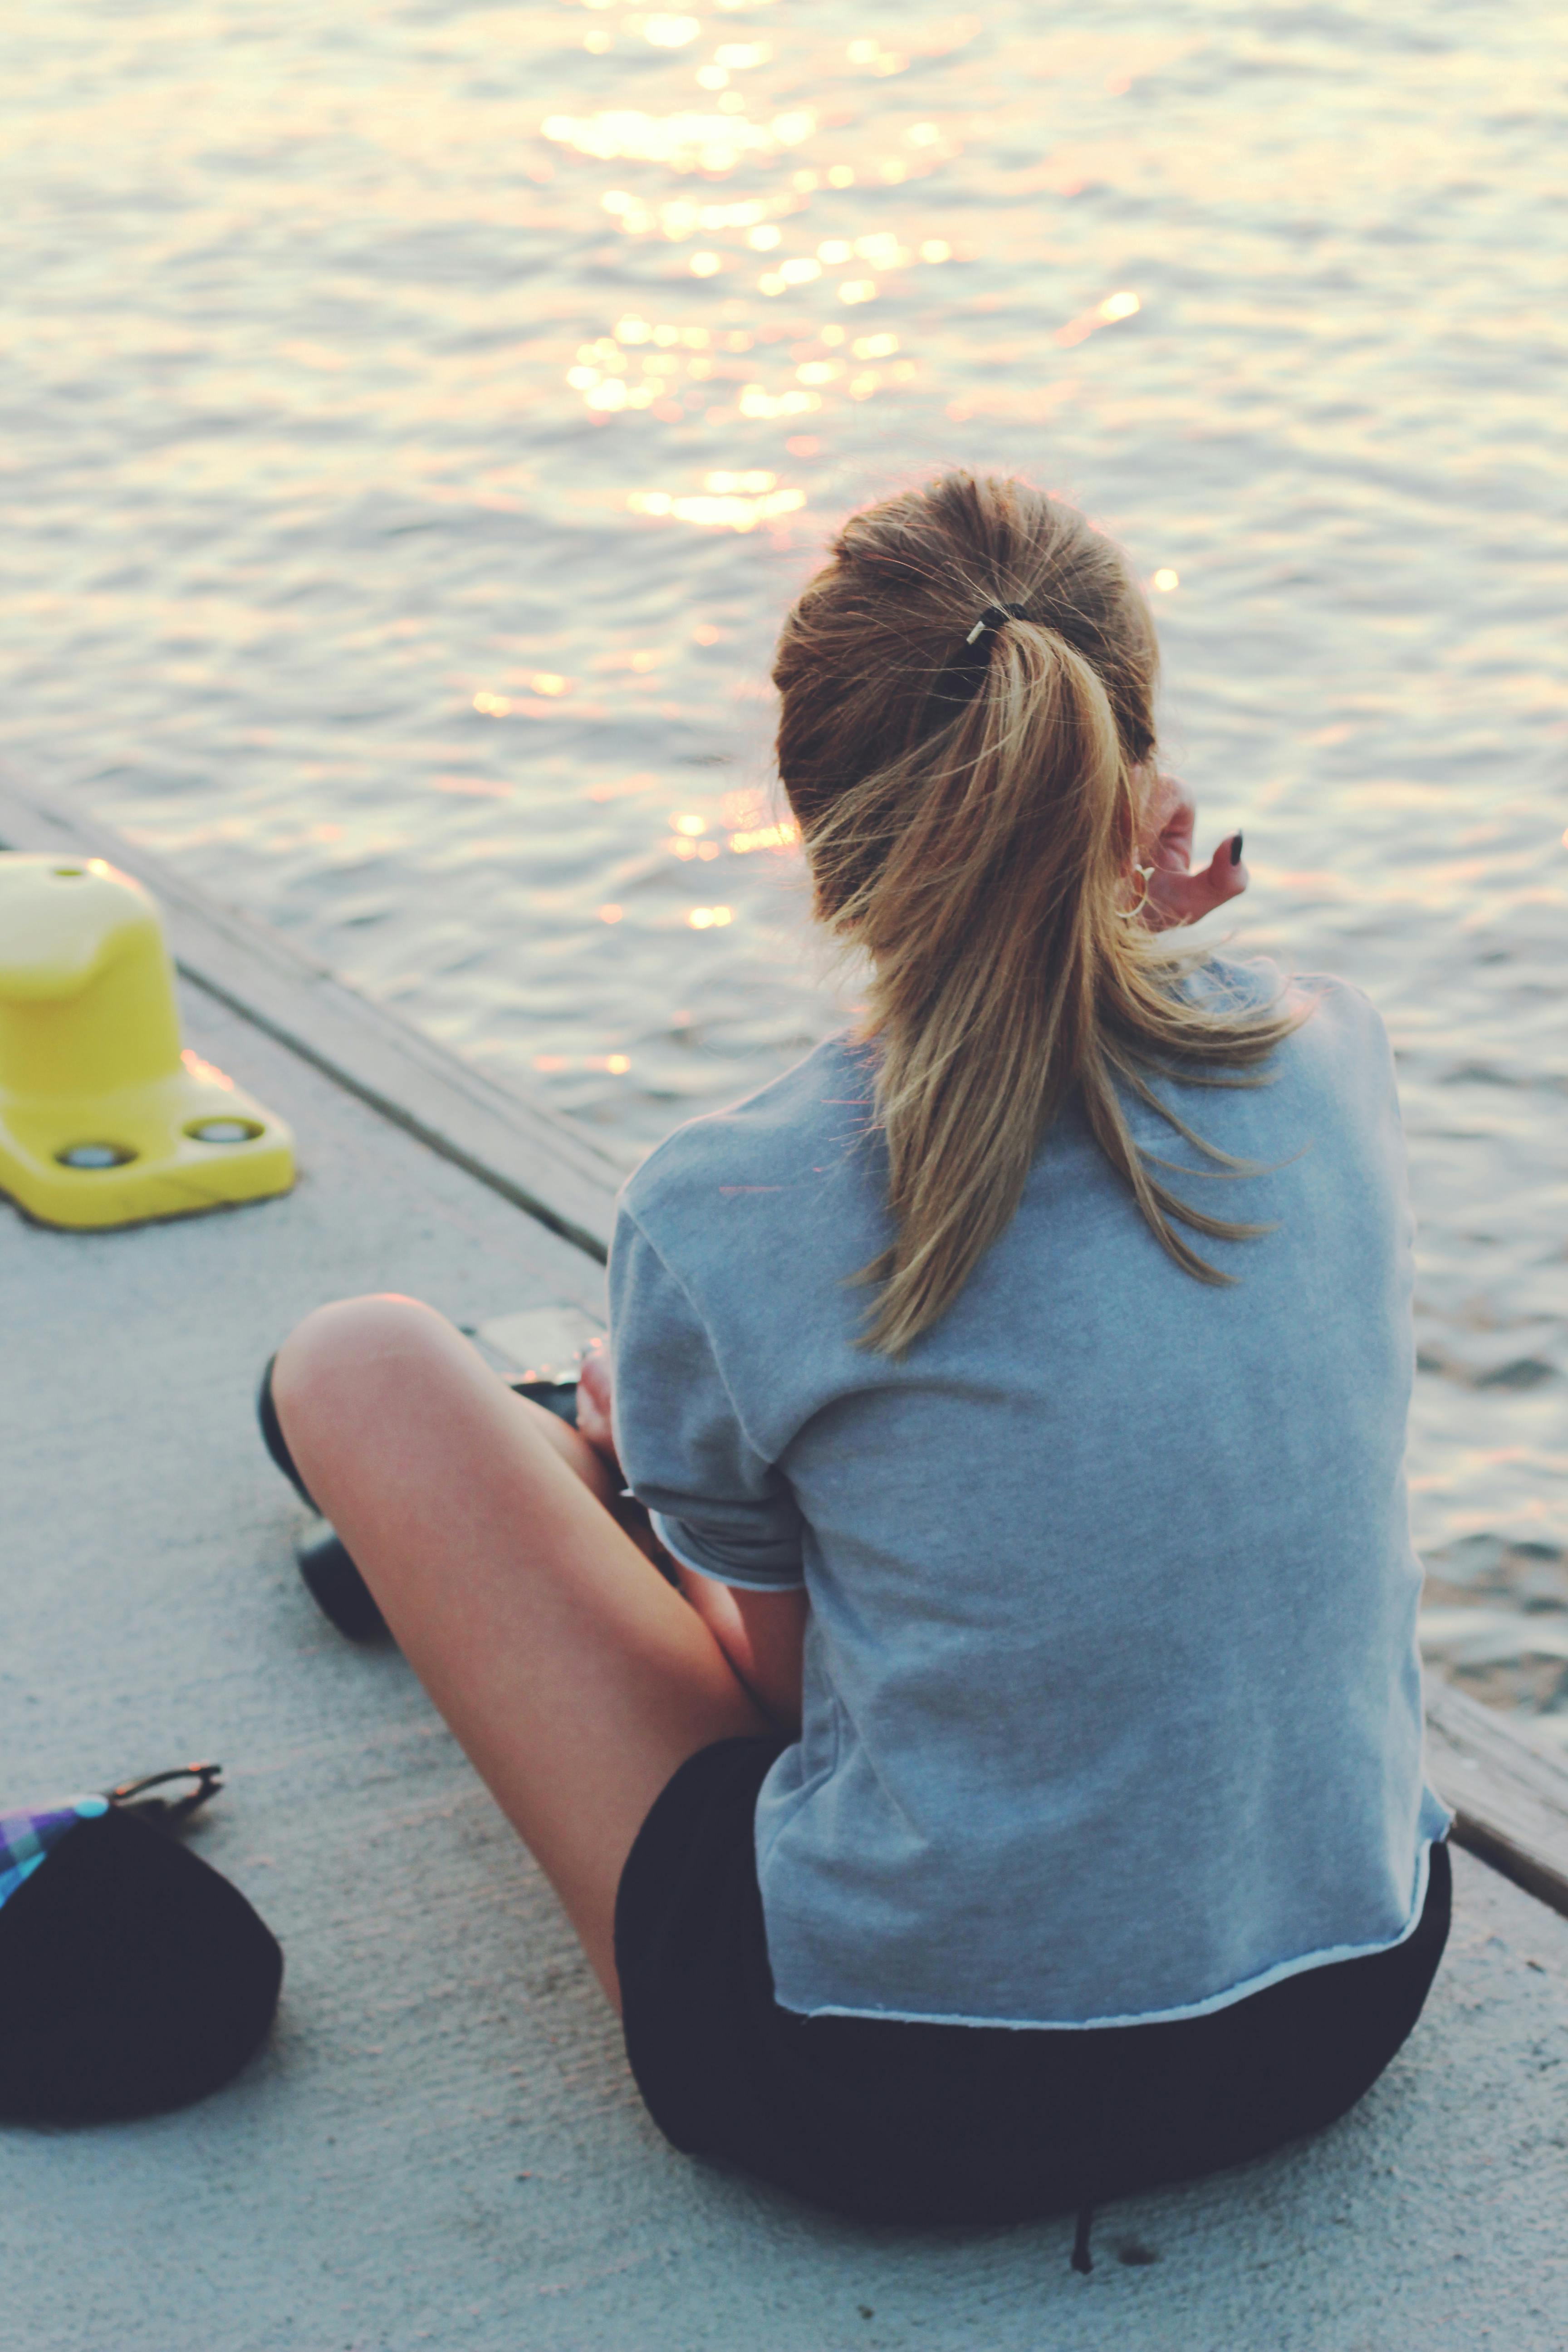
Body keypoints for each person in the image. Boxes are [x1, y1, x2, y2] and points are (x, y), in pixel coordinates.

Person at [268, 472, 1450, 2258]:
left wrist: (683, 1535)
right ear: (1132, 762)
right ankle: (617, 1468)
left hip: (909, 2094)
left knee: (355, 1363)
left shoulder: (734, 1206)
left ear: (816, 823)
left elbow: (782, 1707)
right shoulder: (1333, 1055)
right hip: (1348, 1999)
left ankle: (598, 1464)